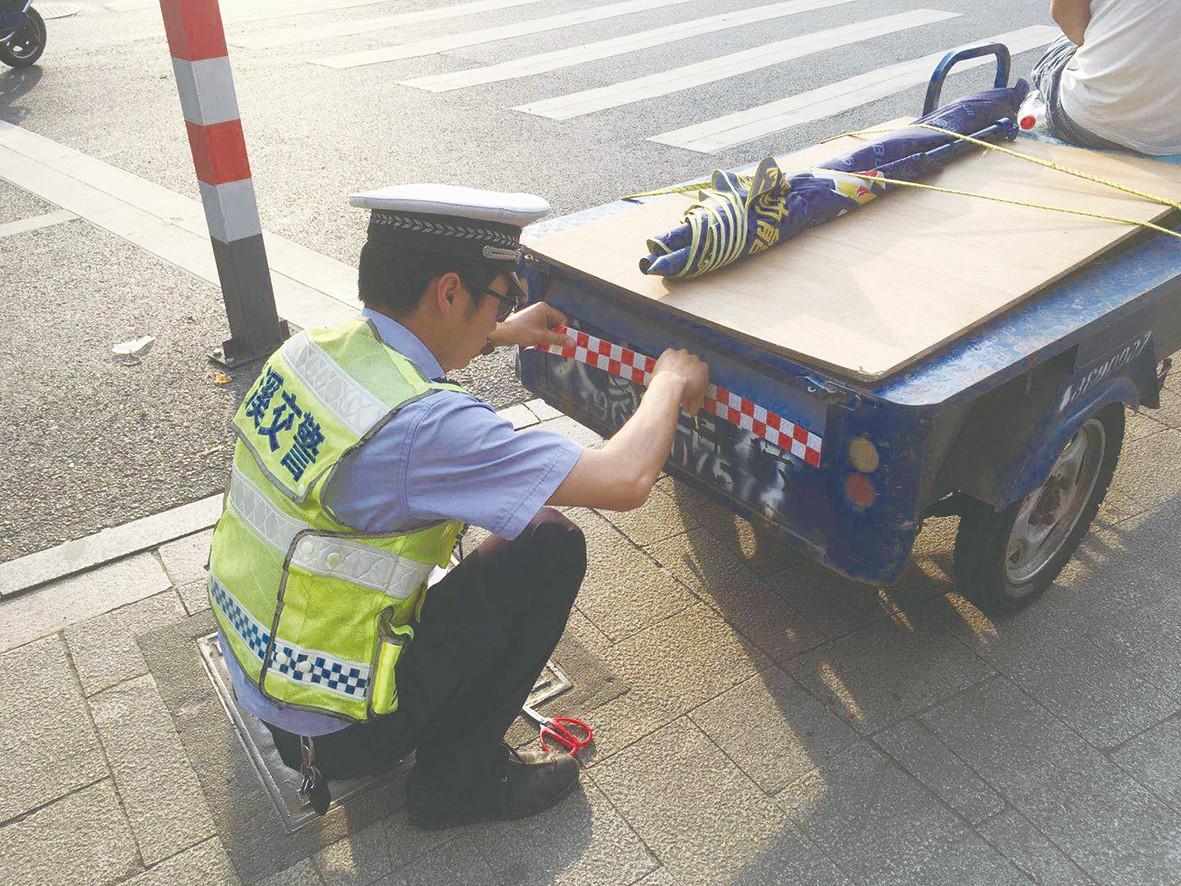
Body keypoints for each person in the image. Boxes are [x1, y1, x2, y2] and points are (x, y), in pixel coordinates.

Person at [205, 183, 709, 829]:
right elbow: (624, 480)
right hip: (344, 728)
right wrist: (668, 380)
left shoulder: (315, 347)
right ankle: (459, 784)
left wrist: (500, 330)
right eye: (501, 295)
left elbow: (404, 353)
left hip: (274, 676)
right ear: (448, 292)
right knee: (546, 544)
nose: (507, 307)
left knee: (493, 522)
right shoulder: (426, 429)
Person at [1031, 0, 1181, 156]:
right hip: (1176, 136)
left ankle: (1036, 107)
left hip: (1094, 120)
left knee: (1062, 44)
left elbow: (1063, 14)